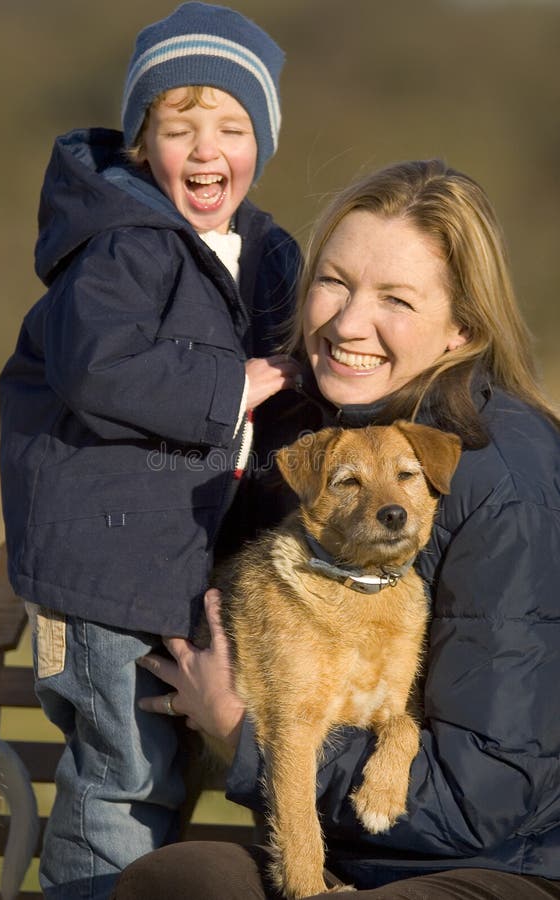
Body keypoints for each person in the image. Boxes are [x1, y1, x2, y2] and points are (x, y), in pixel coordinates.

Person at [110, 159, 560, 900]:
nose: (349, 324)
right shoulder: (300, 431)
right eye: (335, 282)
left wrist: (243, 729)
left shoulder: (506, 480)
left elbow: (486, 795)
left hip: (498, 864)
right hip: (341, 849)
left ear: (463, 329)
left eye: (396, 299)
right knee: (176, 884)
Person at [0, 3, 301, 897]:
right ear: (141, 143)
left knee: (164, 777)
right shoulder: (120, 247)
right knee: (122, 777)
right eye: (180, 126)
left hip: (170, 566)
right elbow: (99, 366)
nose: (208, 150)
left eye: (233, 127)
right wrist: (228, 387)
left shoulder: (257, 251)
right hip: (105, 576)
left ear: (263, 141)